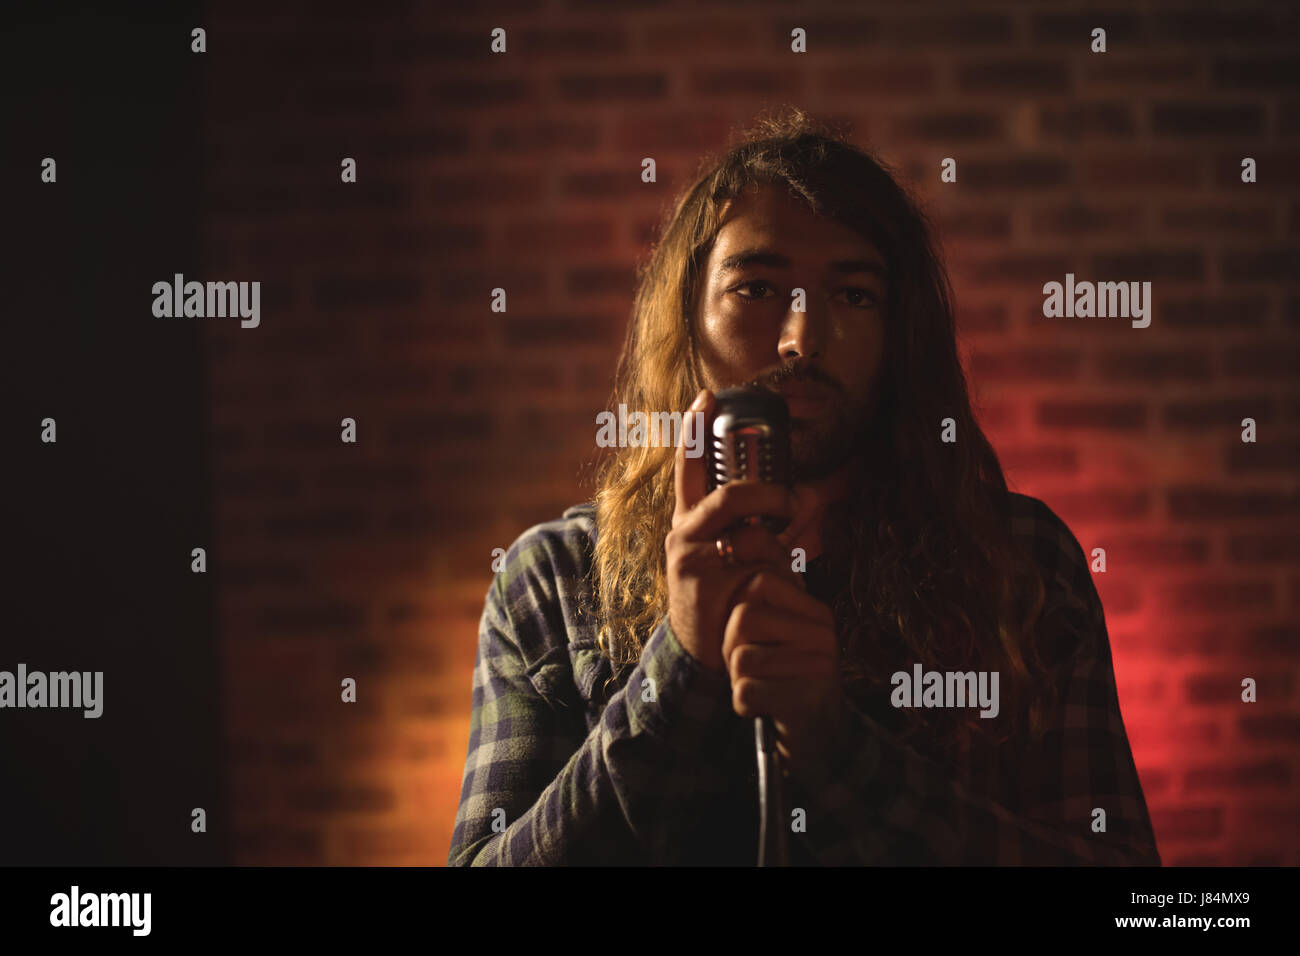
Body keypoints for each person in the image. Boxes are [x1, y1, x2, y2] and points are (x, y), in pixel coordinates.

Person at [447, 109, 1161, 866]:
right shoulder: (554, 581)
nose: (800, 338)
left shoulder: (1019, 564)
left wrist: (838, 747)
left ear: (898, 333)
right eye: (757, 288)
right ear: (687, 318)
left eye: (853, 296)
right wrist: (679, 668)